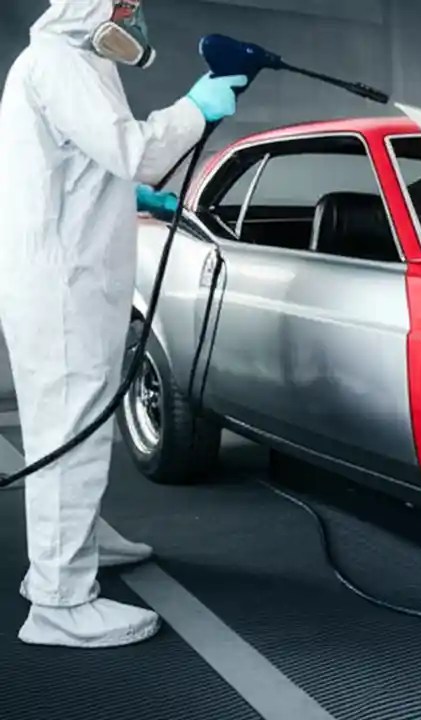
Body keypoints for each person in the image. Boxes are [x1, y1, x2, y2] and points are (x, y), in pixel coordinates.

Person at [0, 0, 247, 648]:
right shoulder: (58, 63)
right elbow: (134, 148)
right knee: (67, 432)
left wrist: (129, 193)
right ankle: (59, 601)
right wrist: (198, 106)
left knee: (81, 425)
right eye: (125, 2)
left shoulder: (78, 62)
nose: (134, 16)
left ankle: (78, 541)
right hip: (62, 288)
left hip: (77, 281)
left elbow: (91, 161)